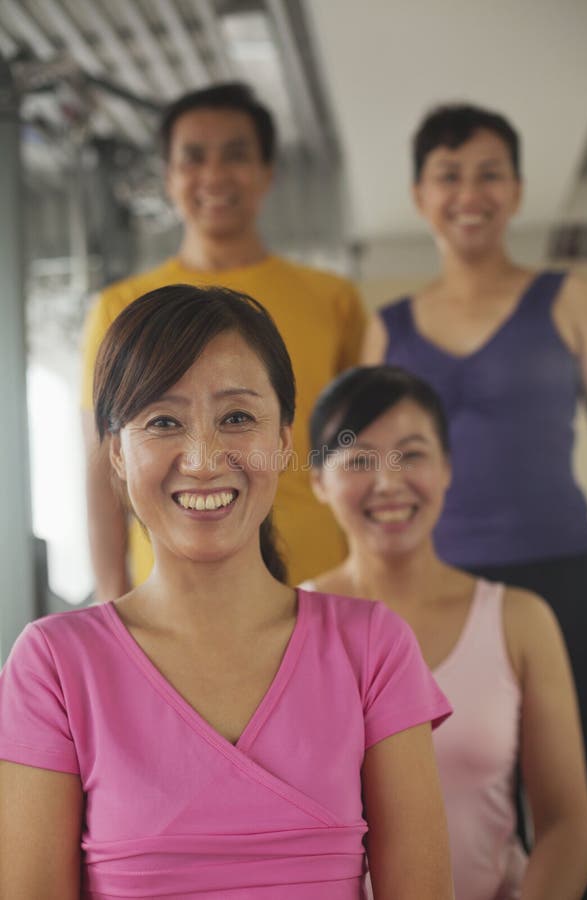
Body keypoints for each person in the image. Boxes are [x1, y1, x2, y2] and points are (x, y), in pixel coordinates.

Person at [0, 286, 453, 899]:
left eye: (237, 418)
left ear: (285, 442)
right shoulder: (53, 665)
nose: (205, 458)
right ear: (116, 455)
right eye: (163, 421)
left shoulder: (372, 648)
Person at [361, 103, 587, 894]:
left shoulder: (571, 299)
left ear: (520, 190)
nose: (471, 191)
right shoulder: (383, 329)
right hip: (434, 592)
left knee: (580, 792)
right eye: (449, 175)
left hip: (565, 575)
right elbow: (349, 463)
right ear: (420, 194)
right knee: (450, 787)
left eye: (490, 172)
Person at [304, 364, 587, 900]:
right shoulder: (284, 626)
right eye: (360, 460)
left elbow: (567, 826)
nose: (388, 483)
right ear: (318, 481)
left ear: (446, 468)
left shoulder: (519, 620)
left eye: (411, 454)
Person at [81, 82, 365, 598]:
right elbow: (103, 469)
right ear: (168, 178)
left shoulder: (333, 299)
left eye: (235, 155)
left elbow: (362, 449)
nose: (213, 175)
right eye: (193, 158)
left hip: (322, 578)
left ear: (266, 173)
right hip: (170, 590)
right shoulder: (119, 309)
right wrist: (111, 600)